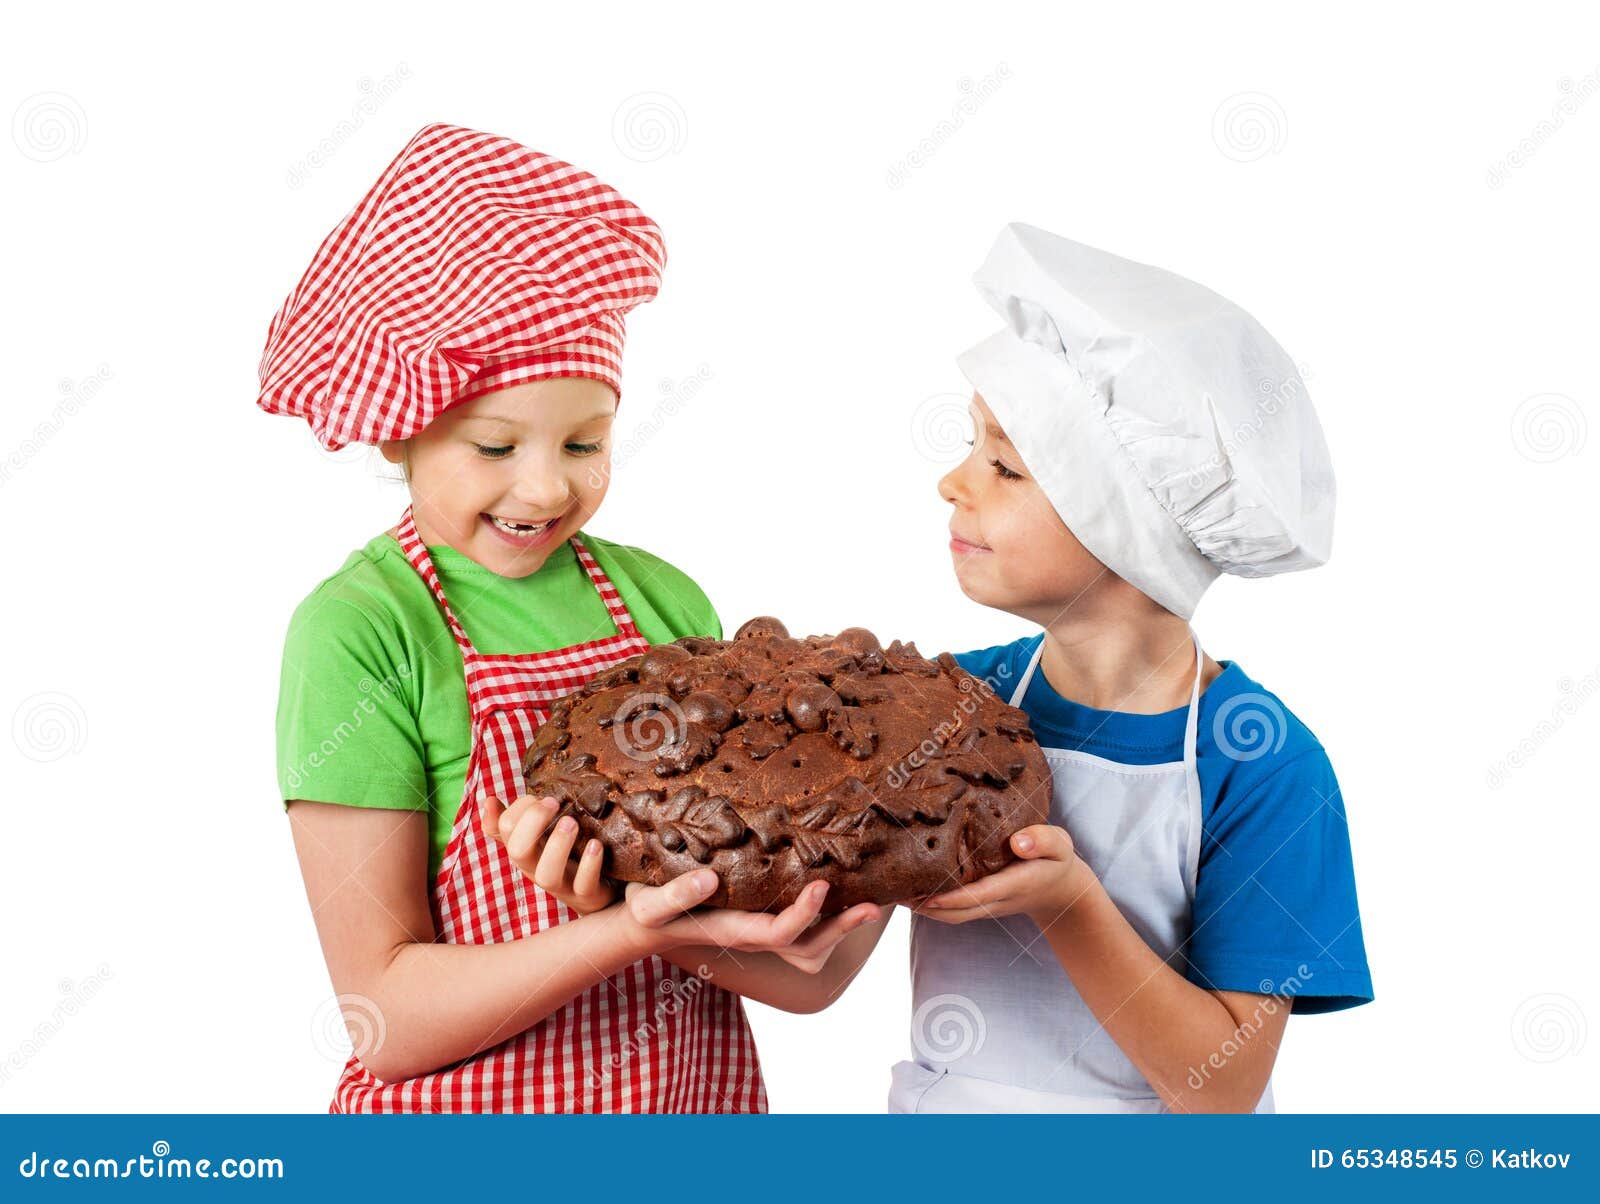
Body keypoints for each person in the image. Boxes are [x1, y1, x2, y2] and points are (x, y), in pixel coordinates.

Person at [265, 123, 880, 1114]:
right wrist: (624, 929)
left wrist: (886, 824)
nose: (546, 486)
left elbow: (803, 980)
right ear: (402, 431)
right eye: (495, 445)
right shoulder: (363, 631)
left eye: (586, 440)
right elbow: (387, 1018)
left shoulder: (664, 603)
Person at [889, 223, 1374, 1113]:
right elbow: (812, 977)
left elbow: (1222, 1091)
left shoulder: (1261, 762)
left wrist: (1067, 904)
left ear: (1129, 533)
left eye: (1005, 465)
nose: (953, 484)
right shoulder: (946, 706)